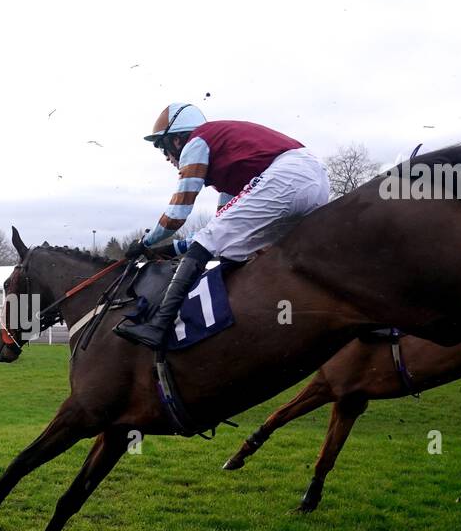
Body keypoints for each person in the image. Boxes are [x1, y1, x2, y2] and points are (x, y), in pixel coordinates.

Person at [116, 103, 331, 349]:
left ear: (177, 141)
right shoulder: (232, 165)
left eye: (162, 147)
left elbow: (178, 214)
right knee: (234, 249)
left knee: (212, 241)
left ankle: (158, 325)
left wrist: (145, 242)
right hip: (315, 182)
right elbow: (220, 226)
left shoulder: (197, 141)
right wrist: (173, 249)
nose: (166, 157)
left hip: (289, 175)